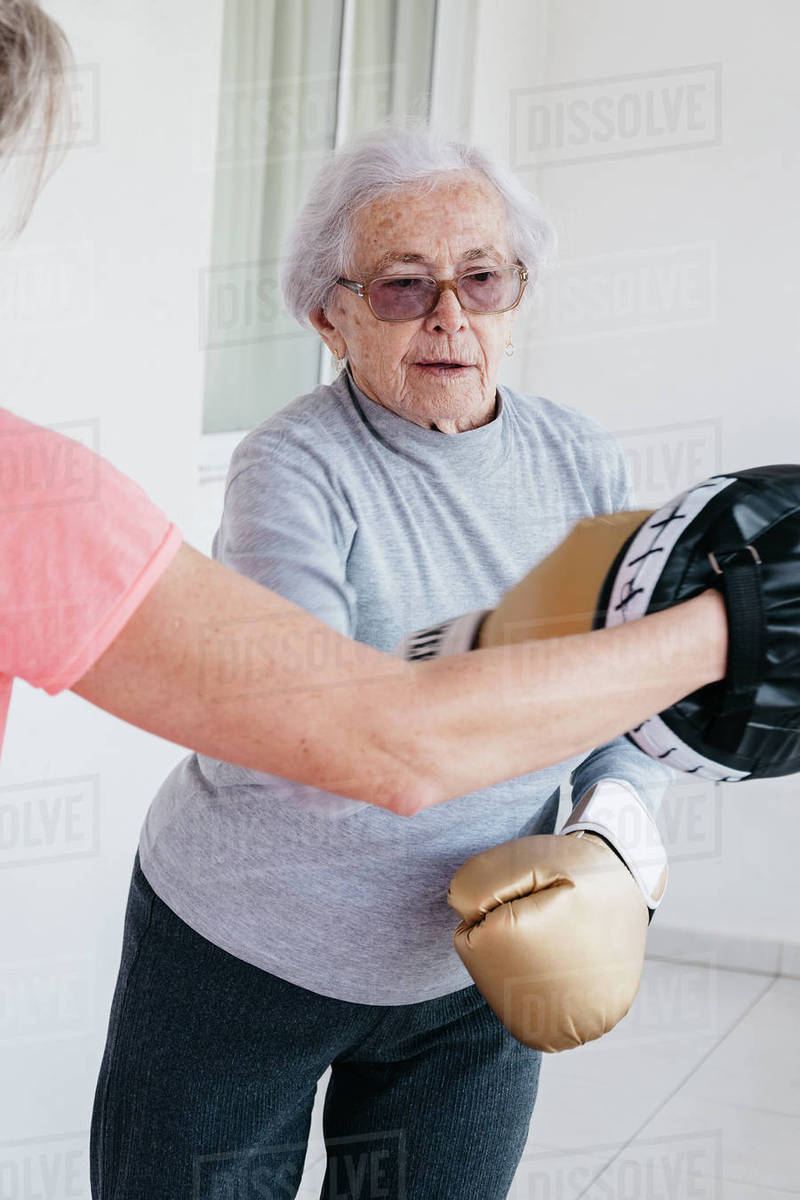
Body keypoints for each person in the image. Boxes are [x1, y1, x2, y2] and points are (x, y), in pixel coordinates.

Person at [89, 126, 726, 1200]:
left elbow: (624, 687)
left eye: (481, 279)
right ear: (327, 316)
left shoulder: (581, 456)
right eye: (400, 286)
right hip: (246, 952)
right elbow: (301, 732)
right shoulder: (290, 466)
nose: (448, 315)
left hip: (479, 960)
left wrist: (619, 816)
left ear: (514, 300)